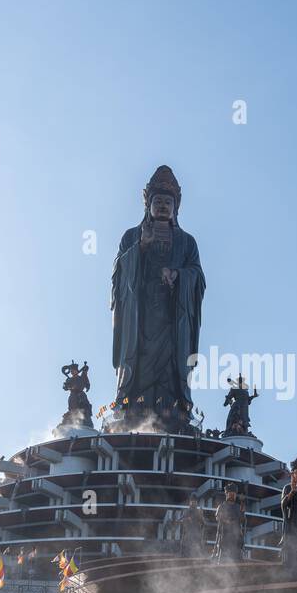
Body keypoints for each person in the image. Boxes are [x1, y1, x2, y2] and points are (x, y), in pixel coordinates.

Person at [111, 166, 205, 428]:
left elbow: (197, 276)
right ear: (148, 205)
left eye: (168, 202)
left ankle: (173, 409)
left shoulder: (187, 242)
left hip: (173, 317)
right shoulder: (132, 236)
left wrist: (178, 276)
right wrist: (141, 247)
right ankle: (131, 407)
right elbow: (119, 275)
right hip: (139, 317)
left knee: (171, 366)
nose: (163, 206)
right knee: (138, 361)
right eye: (158, 201)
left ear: (176, 207)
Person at [213, 484, 244, 563]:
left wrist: (243, 512)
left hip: (236, 538)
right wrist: (225, 520)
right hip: (225, 536)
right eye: (230, 494)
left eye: (234, 494)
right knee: (223, 559)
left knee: (238, 559)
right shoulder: (222, 506)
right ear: (226, 494)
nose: (232, 496)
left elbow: (242, 520)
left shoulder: (238, 507)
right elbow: (217, 517)